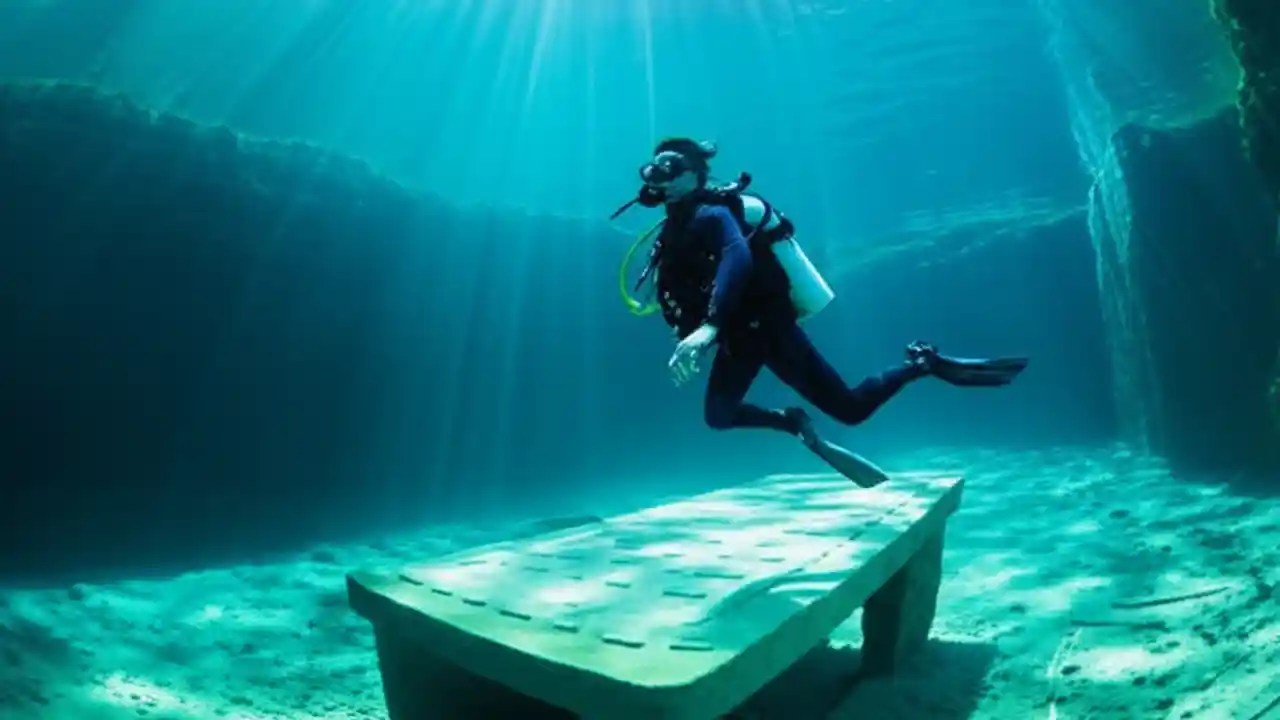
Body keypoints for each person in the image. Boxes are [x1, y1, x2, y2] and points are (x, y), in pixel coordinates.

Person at [610, 137, 1028, 487]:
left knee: (850, 410)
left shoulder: (714, 213)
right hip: (735, 339)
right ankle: (791, 421)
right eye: (656, 165)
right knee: (717, 416)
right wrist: (694, 333)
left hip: (768, 330)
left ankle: (921, 363)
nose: (660, 173)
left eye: (672, 165)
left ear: (695, 174)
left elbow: (738, 258)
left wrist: (709, 328)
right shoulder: (671, 230)